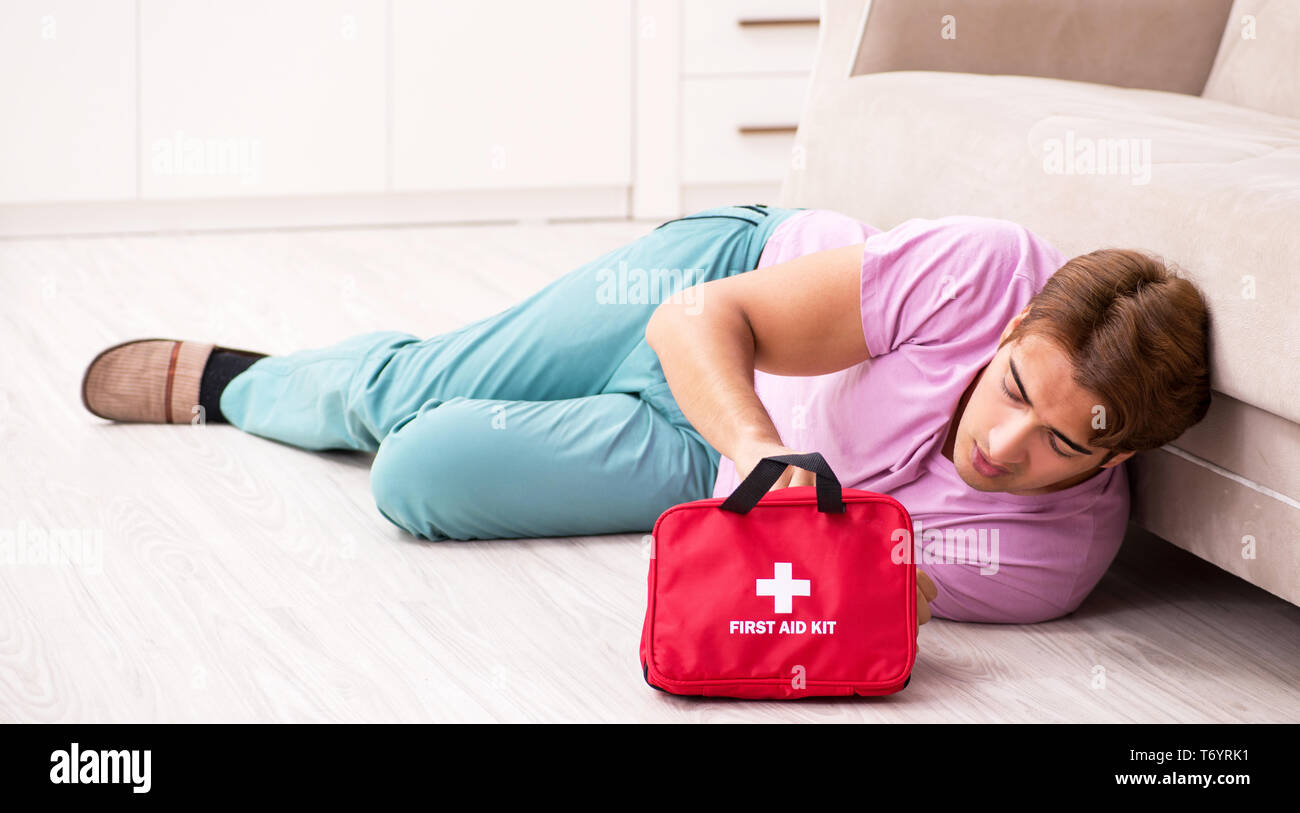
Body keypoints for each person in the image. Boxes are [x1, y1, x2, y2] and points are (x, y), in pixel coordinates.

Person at [80, 204, 1212, 626]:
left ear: (1125, 456)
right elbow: (698, 320)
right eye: (1014, 389)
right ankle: (243, 380)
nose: (1004, 447)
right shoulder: (985, 270)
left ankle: (416, 386)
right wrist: (762, 445)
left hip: (694, 462)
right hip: (700, 304)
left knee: (417, 475)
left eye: (1067, 443)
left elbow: (858, 591)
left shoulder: (1047, 559)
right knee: (401, 395)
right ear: (1012, 331)